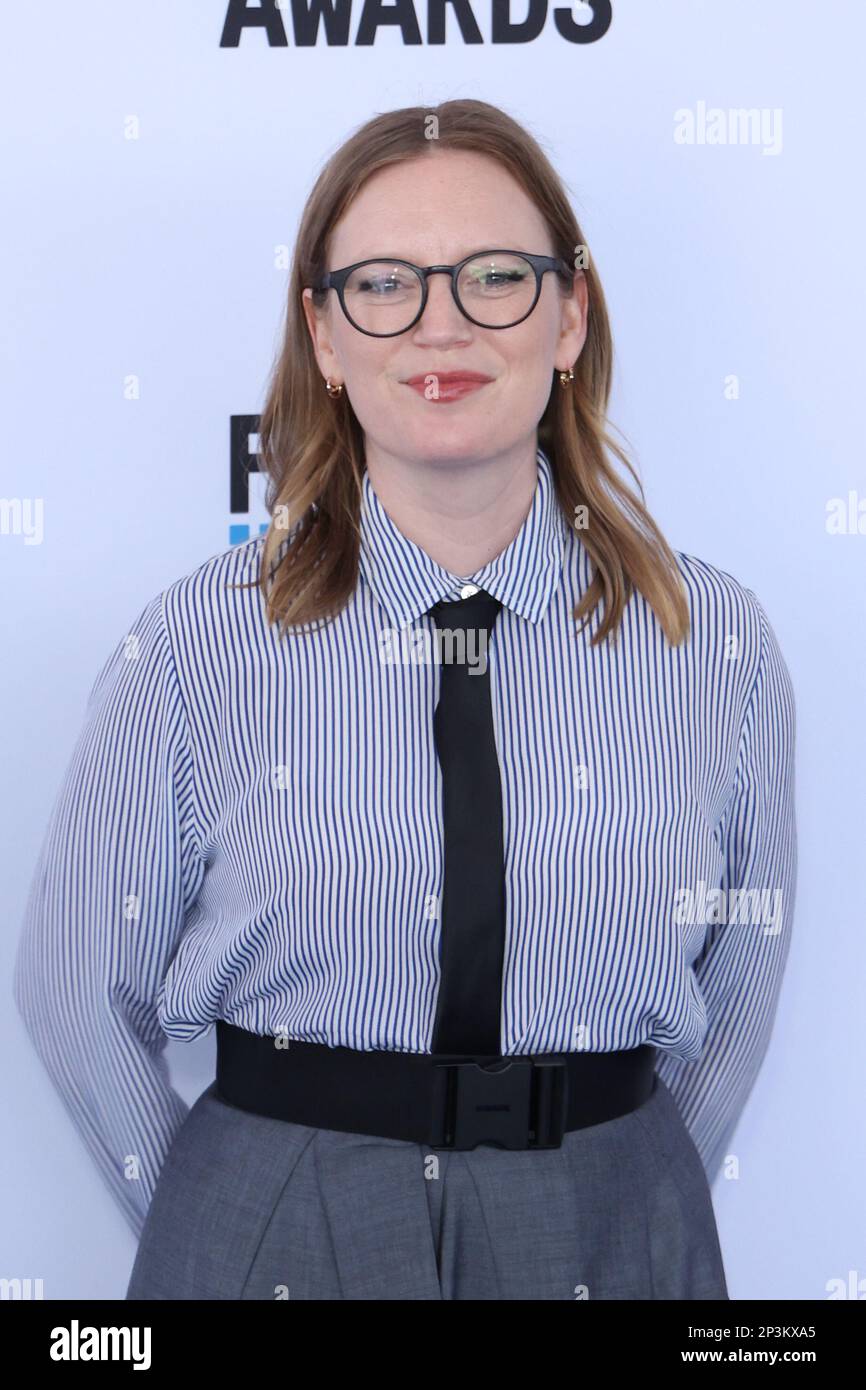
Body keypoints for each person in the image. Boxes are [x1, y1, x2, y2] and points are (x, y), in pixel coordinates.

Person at [14, 98, 797, 1301]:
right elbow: (76, 989)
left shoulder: (713, 641)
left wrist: (625, 1189)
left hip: (607, 1222)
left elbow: (739, 974)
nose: (442, 324)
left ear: (569, 315)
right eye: (383, 284)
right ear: (324, 335)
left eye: (494, 276)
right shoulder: (193, 643)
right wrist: (232, 1211)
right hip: (278, 1215)